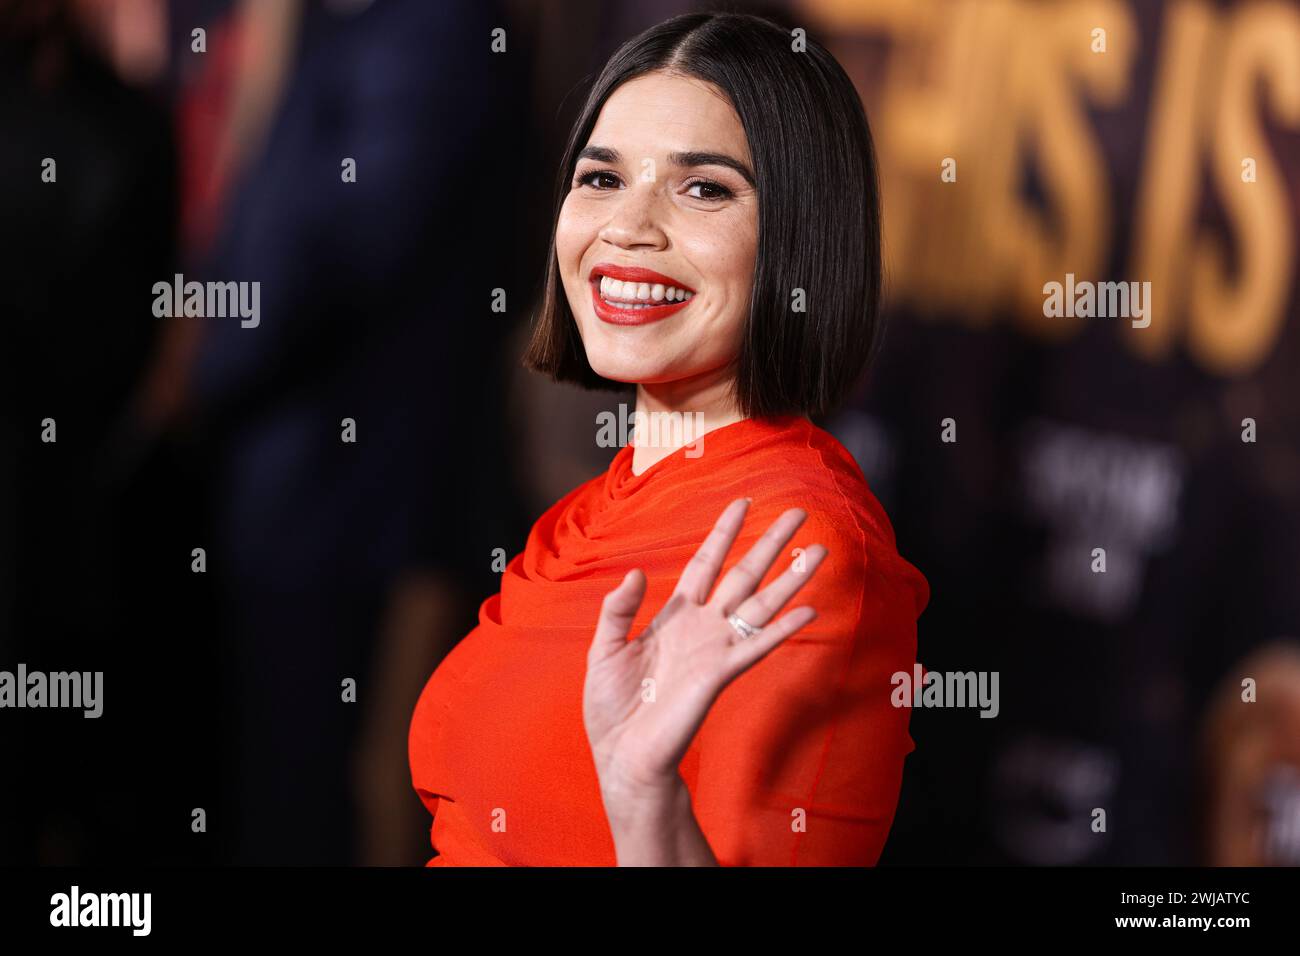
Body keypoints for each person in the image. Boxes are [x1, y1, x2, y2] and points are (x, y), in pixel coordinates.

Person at [407, 12, 929, 866]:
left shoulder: (801, 549)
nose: (628, 227)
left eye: (704, 189)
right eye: (601, 178)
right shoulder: (585, 515)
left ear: (801, 238)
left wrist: (644, 794)